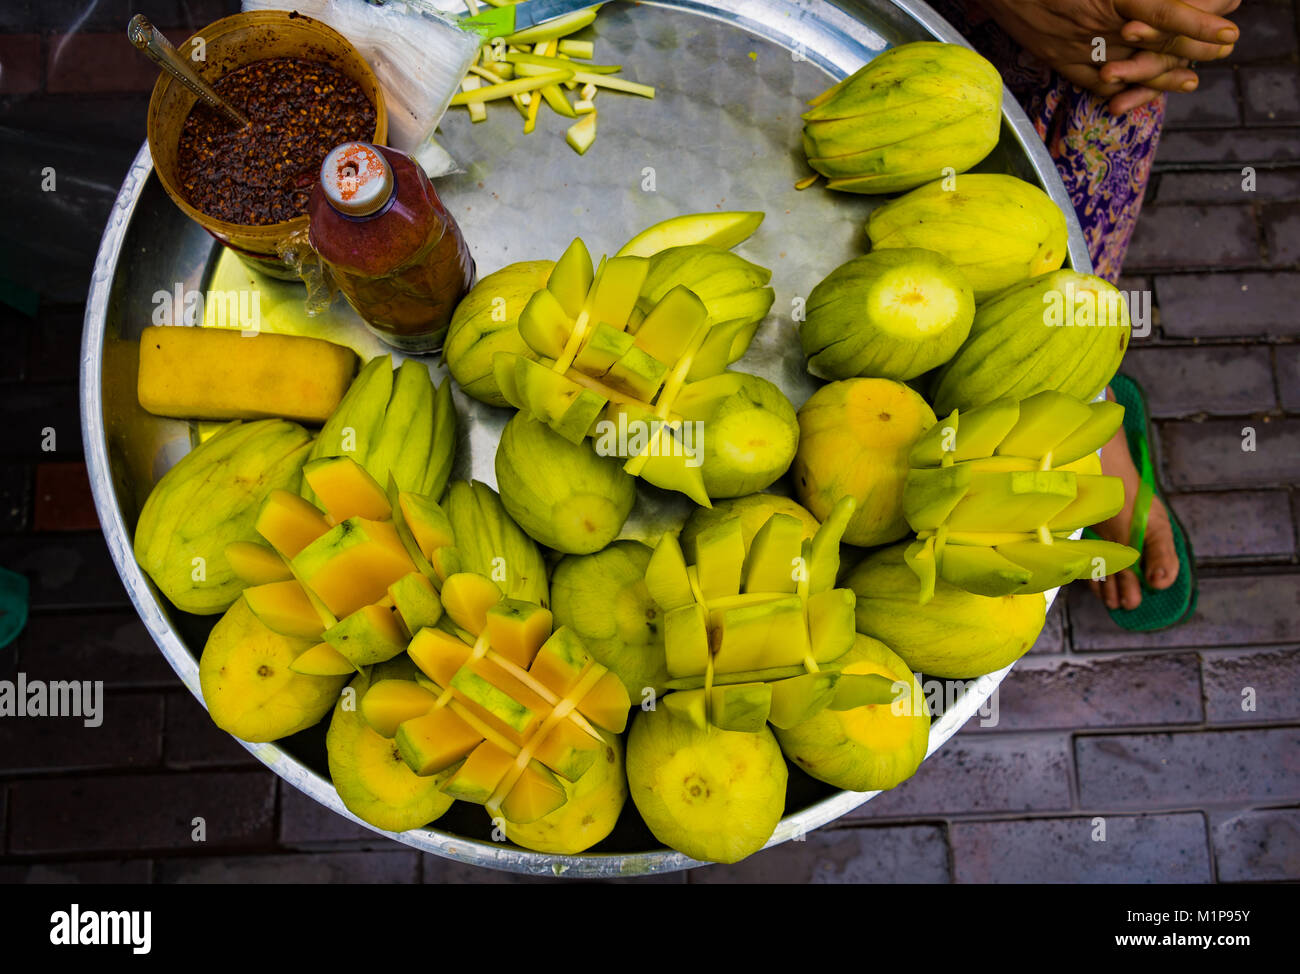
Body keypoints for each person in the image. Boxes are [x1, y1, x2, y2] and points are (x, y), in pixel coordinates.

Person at [928, 0, 1241, 626]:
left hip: (1109, 62)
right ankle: (1071, 407)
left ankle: (1088, 404)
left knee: (1069, 246)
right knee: (965, 244)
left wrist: (1182, 26)